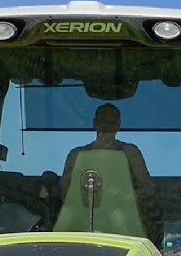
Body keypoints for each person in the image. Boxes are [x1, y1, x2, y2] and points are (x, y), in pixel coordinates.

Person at [60, 103, 159, 242]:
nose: (106, 127)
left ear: (118, 125)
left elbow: (146, 191)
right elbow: (66, 193)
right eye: (103, 121)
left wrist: (121, 198)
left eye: (110, 122)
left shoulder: (130, 153)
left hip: (123, 219)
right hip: (81, 219)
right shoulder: (76, 155)